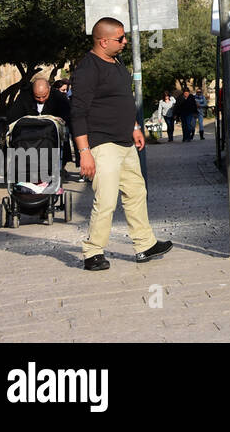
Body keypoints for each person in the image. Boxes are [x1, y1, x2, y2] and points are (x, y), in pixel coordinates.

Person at [73, 17, 172, 271]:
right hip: (102, 144)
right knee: (106, 199)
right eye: (120, 38)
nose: (125, 42)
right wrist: (84, 152)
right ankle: (93, 252)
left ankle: (145, 245)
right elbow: (78, 113)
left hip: (125, 142)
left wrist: (135, 128)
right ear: (103, 41)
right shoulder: (87, 69)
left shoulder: (116, 63)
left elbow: (122, 99)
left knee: (136, 192)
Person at [7, 74, 72, 168]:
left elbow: (67, 115)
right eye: (37, 97)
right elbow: (14, 117)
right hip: (28, 139)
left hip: (51, 140)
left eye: (44, 96)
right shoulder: (24, 97)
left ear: (49, 89)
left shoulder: (58, 97)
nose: (41, 100)